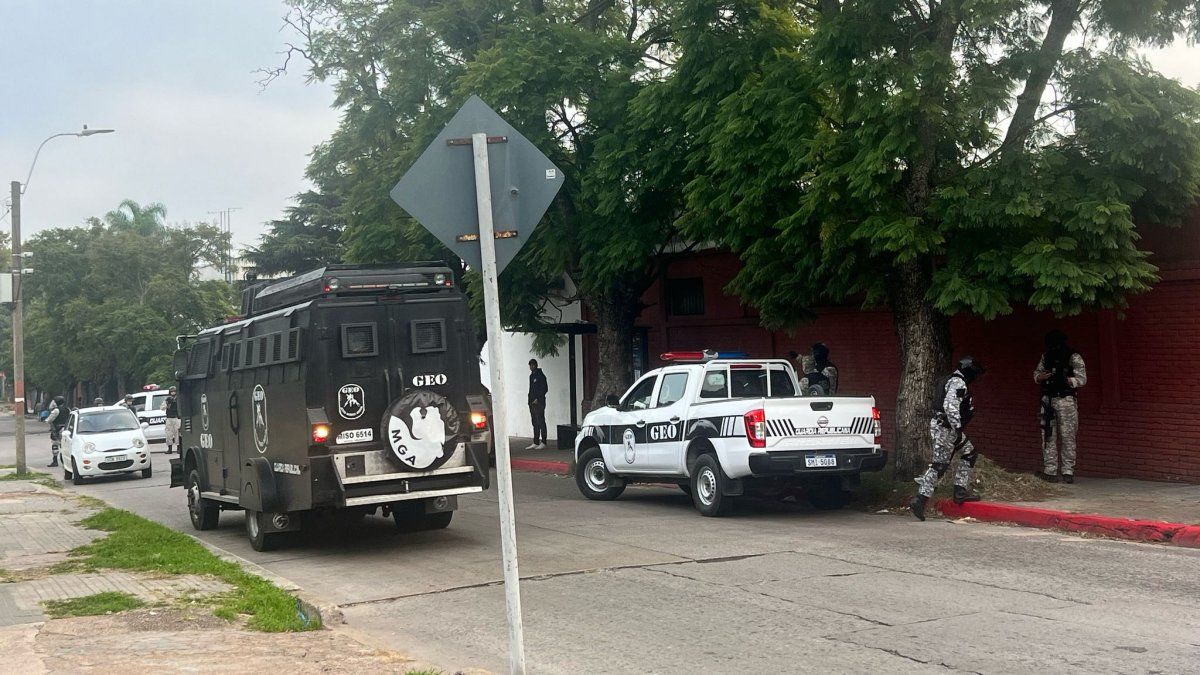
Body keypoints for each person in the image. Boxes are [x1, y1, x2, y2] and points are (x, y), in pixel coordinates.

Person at [909, 356, 986, 521]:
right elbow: (950, 407)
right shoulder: (958, 383)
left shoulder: (948, 379)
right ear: (969, 371)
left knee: (970, 452)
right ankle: (920, 499)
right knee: (939, 466)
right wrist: (957, 427)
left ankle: (960, 491)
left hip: (943, 426)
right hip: (947, 428)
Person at [1034, 330, 1087, 483]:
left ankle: (1067, 472)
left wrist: (1067, 380)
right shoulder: (1046, 356)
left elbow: (1082, 379)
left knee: (1068, 436)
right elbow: (1036, 374)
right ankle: (1050, 471)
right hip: (1048, 400)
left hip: (1066, 400)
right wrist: (1041, 377)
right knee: (1048, 435)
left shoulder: (1073, 356)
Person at [526, 359, 548, 450]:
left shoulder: (541, 376)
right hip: (531, 403)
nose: (531, 367)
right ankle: (535, 441)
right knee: (534, 422)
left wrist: (538, 399)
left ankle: (544, 441)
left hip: (539, 402)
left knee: (541, 421)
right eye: (530, 365)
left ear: (536, 365)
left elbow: (544, 389)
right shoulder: (531, 376)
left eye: (532, 365)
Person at [45, 396, 69, 468]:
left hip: (57, 430)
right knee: (65, 445)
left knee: (55, 444)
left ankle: (55, 461)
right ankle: (65, 461)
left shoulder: (56, 410)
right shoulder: (68, 409)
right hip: (66, 429)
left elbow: (49, 420)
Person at [161, 386, 181, 455]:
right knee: (168, 434)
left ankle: (178, 448)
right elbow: (162, 408)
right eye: (172, 391)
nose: (173, 392)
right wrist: (167, 404)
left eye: (174, 391)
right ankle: (169, 449)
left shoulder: (179, 399)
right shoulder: (167, 399)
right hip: (169, 418)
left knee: (177, 433)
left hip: (176, 418)